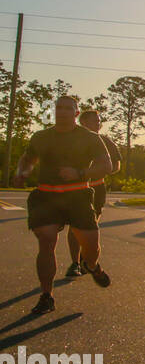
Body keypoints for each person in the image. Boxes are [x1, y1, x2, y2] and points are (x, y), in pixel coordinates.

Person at [16, 95, 114, 315]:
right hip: (46, 196)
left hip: (77, 196)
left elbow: (106, 165)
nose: (62, 112)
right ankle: (46, 296)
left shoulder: (89, 138)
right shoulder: (41, 136)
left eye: (68, 109)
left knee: (90, 249)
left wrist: (80, 173)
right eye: (58, 108)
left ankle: (92, 266)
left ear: (76, 114)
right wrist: (22, 171)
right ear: (54, 111)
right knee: (47, 240)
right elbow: (28, 158)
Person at [66, 109, 121, 277]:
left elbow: (116, 165)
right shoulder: (71, 141)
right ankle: (75, 263)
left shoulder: (105, 141)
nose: (98, 124)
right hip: (77, 189)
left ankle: (86, 260)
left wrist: (101, 170)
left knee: (91, 226)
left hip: (98, 189)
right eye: (94, 121)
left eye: (99, 121)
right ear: (83, 123)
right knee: (75, 226)